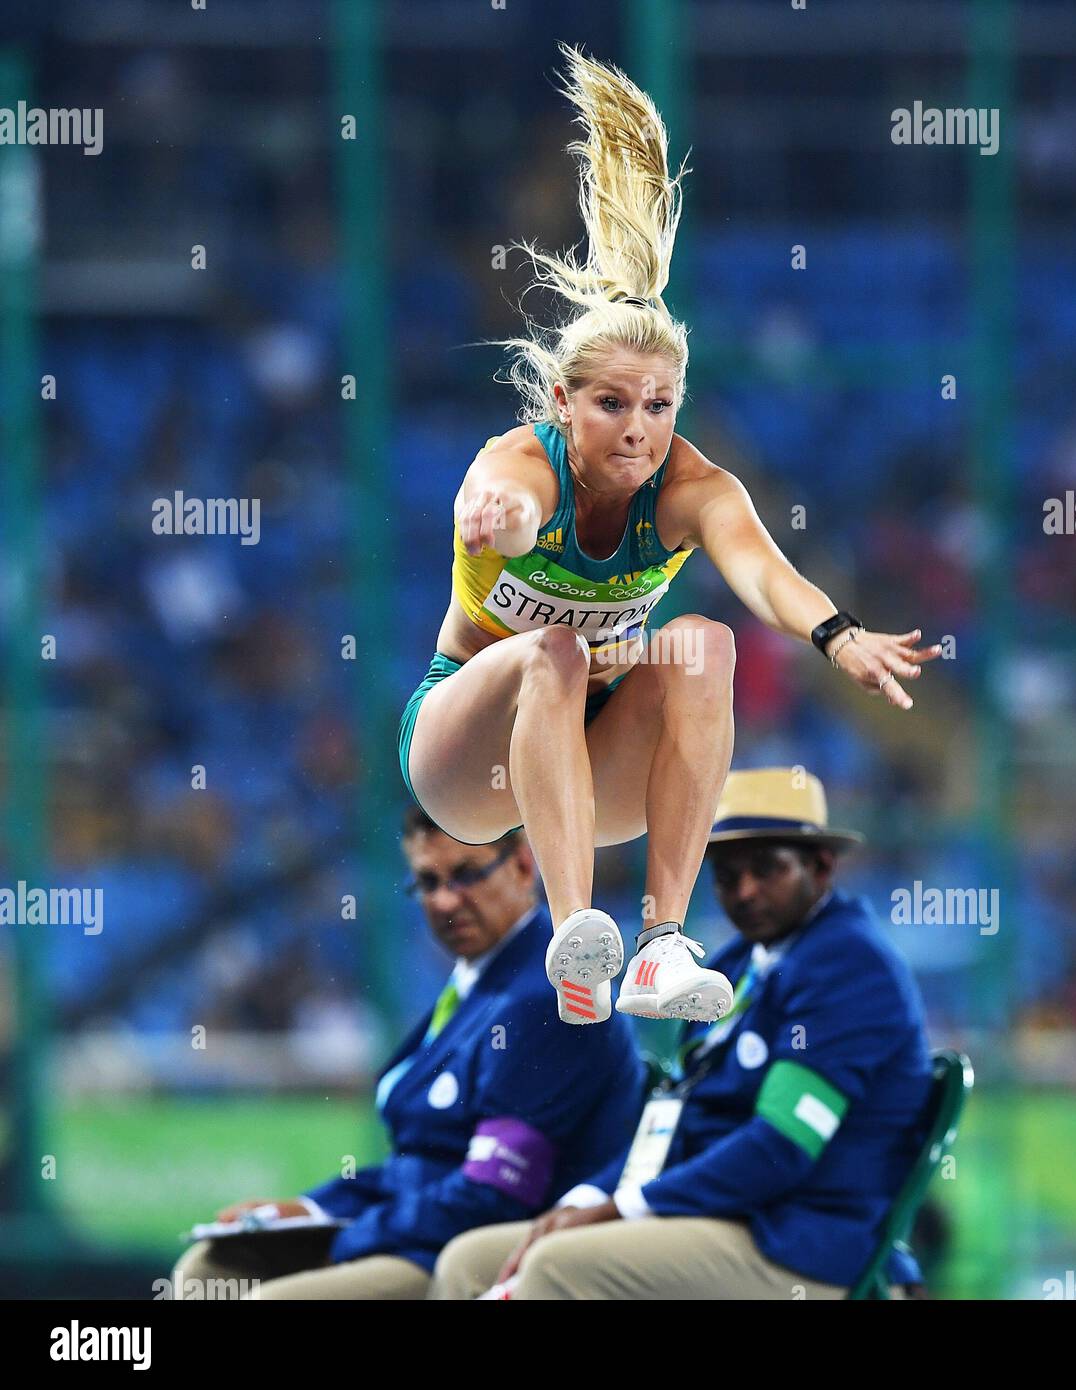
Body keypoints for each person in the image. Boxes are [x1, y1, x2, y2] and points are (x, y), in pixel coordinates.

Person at [399, 43, 940, 1027]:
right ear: (564, 403)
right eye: (612, 404)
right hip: (464, 759)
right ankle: (575, 937)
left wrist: (837, 633)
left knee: (703, 645)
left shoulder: (693, 485)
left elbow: (765, 574)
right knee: (551, 650)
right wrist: (499, 522)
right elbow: (512, 513)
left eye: (658, 403)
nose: (638, 427)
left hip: (590, 762)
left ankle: (656, 946)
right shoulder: (519, 466)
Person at [432, 768, 935, 1301]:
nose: (744, 892)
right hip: (723, 1218)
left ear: (822, 866)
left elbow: (781, 1146)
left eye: (767, 870)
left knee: (556, 1268)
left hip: (799, 1242)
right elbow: (678, 1120)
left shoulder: (850, 967)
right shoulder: (738, 963)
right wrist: (586, 1198)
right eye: (726, 874)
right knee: (469, 1262)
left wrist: (624, 1207)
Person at [171, 806, 643, 1299]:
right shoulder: (476, 982)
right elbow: (417, 1166)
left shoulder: (547, 992)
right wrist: (310, 1211)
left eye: (465, 875)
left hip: (471, 1251)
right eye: (427, 882)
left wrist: (353, 1234)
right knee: (209, 1273)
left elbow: (494, 1194)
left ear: (525, 866)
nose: (444, 901)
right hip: (418, 1232)